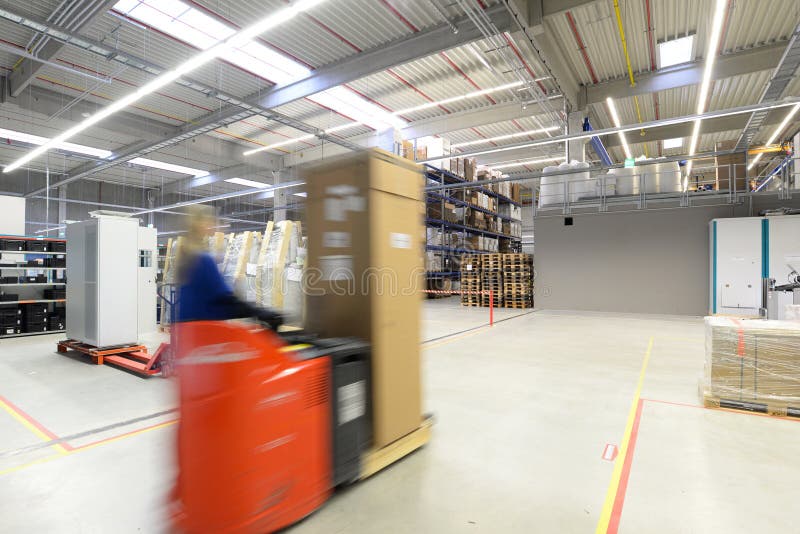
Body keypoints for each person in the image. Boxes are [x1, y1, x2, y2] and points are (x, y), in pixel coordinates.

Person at [174, 205, 282, 329]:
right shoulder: (203, 259)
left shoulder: (185, 258)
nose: (211, 225)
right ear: (199, 225)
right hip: (205, 331)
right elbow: (225, 301)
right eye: (208, 221)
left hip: (187, 331)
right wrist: (259, 312)